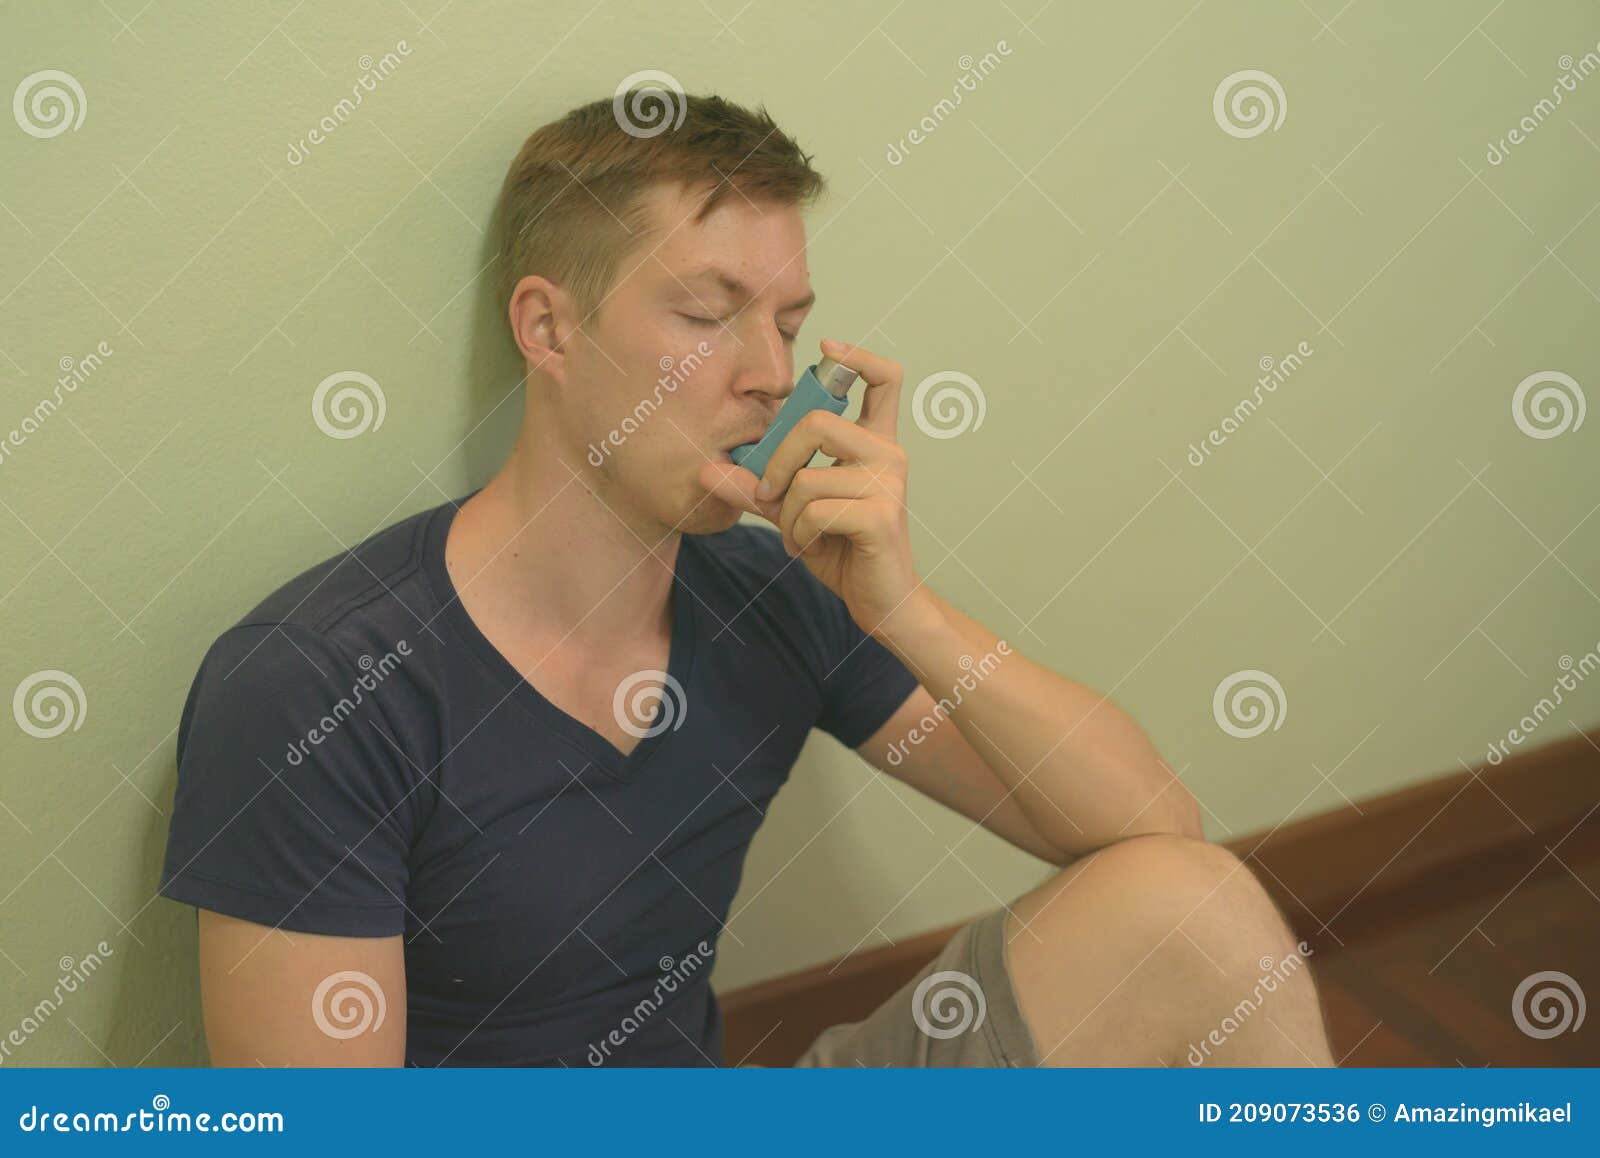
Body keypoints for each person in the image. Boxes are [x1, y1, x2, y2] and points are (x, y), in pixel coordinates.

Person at [158, 91, 1335, 1068]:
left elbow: (1150, 832)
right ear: (548, 330)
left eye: (788, 323)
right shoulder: (320, 684)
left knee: (1195, 911)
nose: (771, 375)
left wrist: (902, 612)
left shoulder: (772, 594)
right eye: (708, 315)